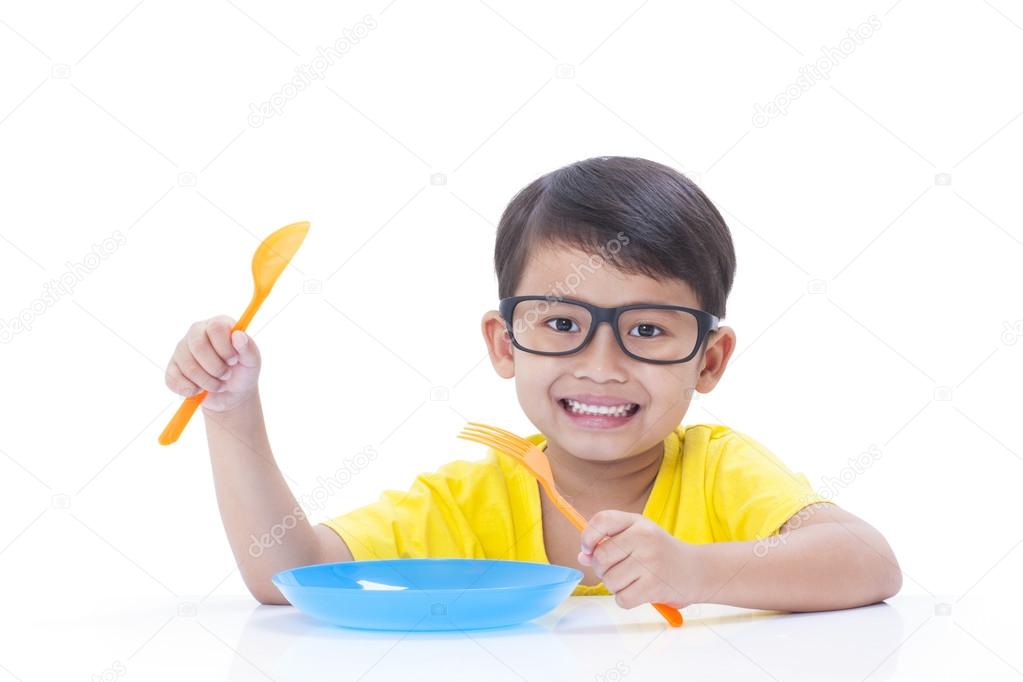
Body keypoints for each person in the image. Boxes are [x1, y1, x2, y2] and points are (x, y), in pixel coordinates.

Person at [164, 156, 901, 611]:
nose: (601, 366)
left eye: (647, 330)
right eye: (559, 324)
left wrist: (693, 570)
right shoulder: (471, 497)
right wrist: (233, 417)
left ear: (707, 361)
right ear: (503, 341)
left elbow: (867, 561)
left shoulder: (720, 470)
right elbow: (291, 576)